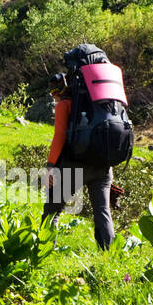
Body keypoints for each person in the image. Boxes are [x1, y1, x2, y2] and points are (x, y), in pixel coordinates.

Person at [42, 72, 118, 250]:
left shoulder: (64, 105)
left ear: (63, 88)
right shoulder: (100, 102)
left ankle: (43, 252)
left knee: (52, 210)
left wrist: (50, 166)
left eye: (55, 90)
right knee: (102, 211)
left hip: (75, 165)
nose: (54, 95)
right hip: (103, 166)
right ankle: (109, 255)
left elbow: (59, 136)